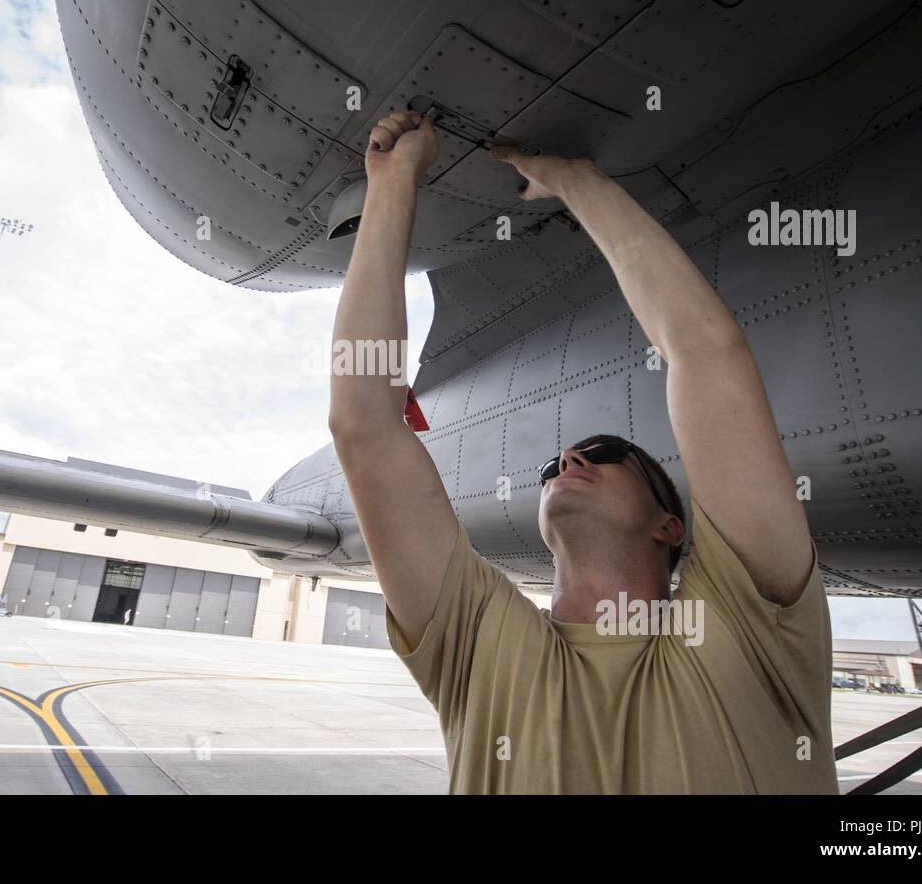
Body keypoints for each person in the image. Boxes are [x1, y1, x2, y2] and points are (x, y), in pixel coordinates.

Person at [326, 111, 837, 793]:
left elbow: (705, 353)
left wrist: (576, 181)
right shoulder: (480, 639)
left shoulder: (751, 629)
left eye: (603, 453)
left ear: (669, 526)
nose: (567, 461)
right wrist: (391, 187)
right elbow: (365, 421)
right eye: (554, 466)